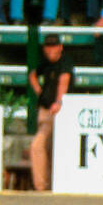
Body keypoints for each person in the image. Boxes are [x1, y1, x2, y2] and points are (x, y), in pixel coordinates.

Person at [28, 34, 73, 191]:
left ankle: (41, 186)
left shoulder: (65, 62)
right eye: (48, 46)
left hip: (57, 112)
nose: (50, 49)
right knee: (46, 149)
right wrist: (39, 91)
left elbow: (64, 81)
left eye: (53, 46)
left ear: (60, 47)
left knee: (37, 146)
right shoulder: (45, 64)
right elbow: (32, 75)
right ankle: (47, 185)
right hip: (44, 110)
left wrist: (59, 101)